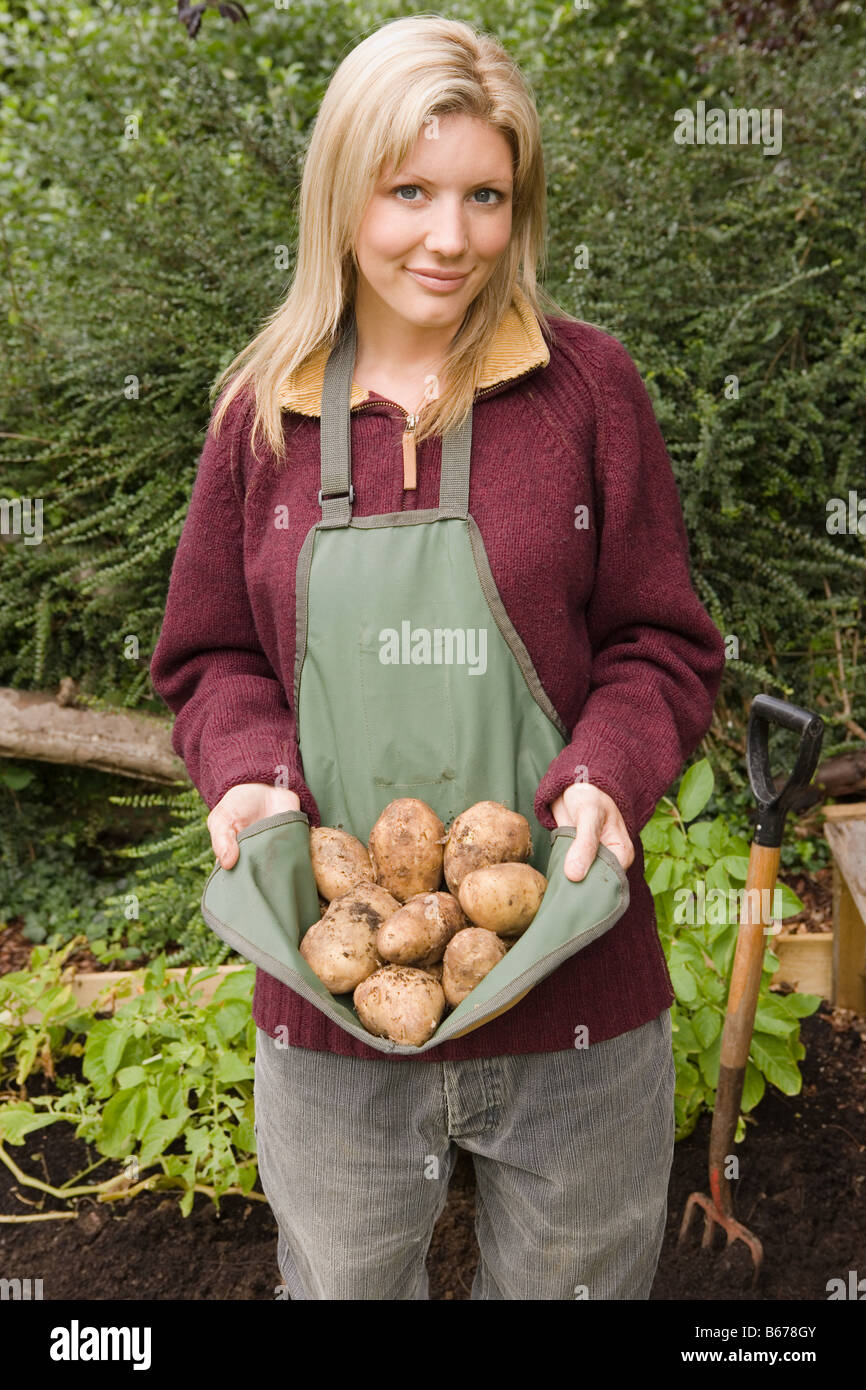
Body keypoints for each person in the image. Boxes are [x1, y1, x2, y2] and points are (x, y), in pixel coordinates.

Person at [150, 14, 726, 1300]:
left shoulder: (586, 389)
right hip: (334, 999)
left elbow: (661, 642)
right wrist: (246, 773)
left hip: (572, 986)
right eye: (408, 191)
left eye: (484, 196)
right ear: (340, 194)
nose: (450, 237)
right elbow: (213, 657)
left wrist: (606, 774)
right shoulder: (264, 416)